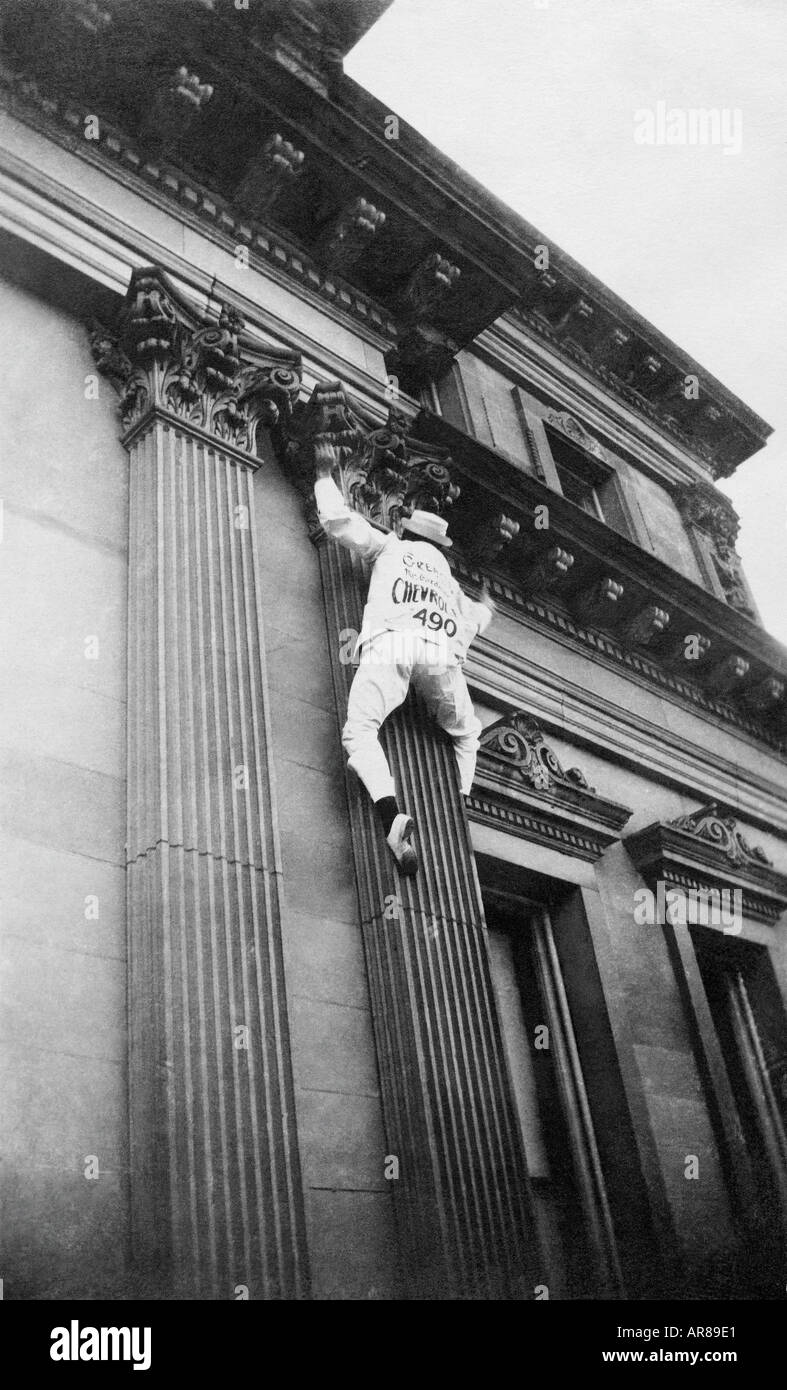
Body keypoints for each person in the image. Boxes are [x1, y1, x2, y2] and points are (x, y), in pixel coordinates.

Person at [314, 443, 495, 876]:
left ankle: (390, 815)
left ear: (406, 530)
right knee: (467, 733)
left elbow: (339, 523)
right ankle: (461, 802)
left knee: (360, 731)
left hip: (393, 644)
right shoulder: (448, 582)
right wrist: (488, 607)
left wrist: (323, 476)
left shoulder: (391, 548)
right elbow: (473, 618)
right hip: (440, 658)